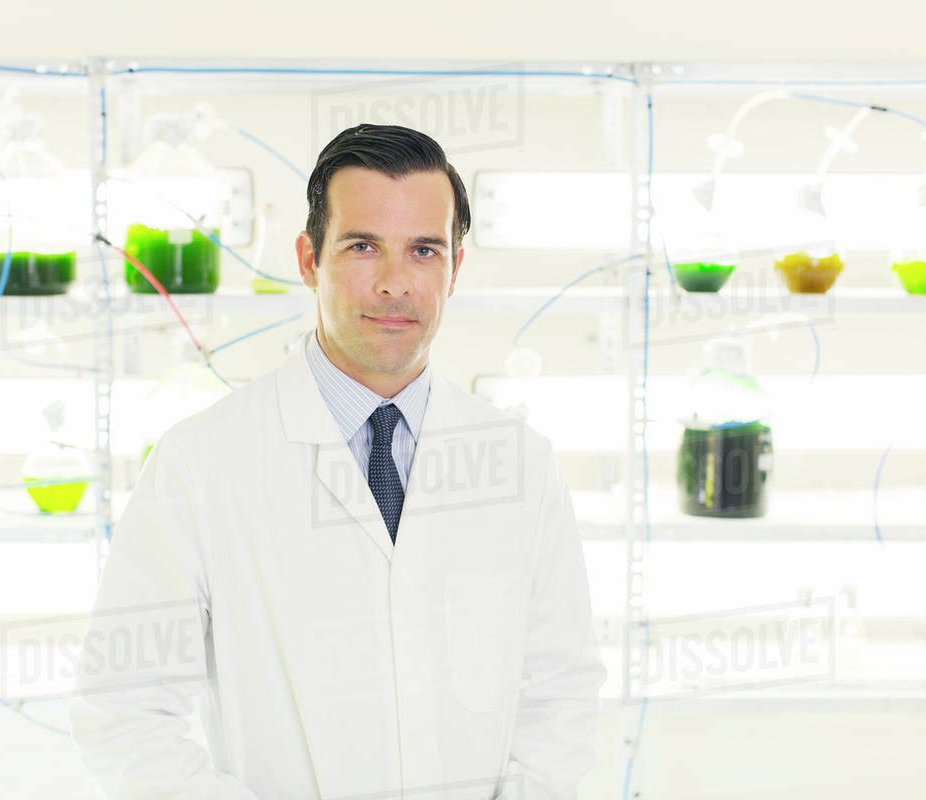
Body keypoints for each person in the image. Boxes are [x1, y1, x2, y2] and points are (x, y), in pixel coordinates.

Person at [70, 124, 605, 800]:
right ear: (307, 259)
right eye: (362, 247)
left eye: (423, 250)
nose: (394, 283)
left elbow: (563, 695)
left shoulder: (521, 465)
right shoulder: (201, 463)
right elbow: (122, 712)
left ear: (455, 269)